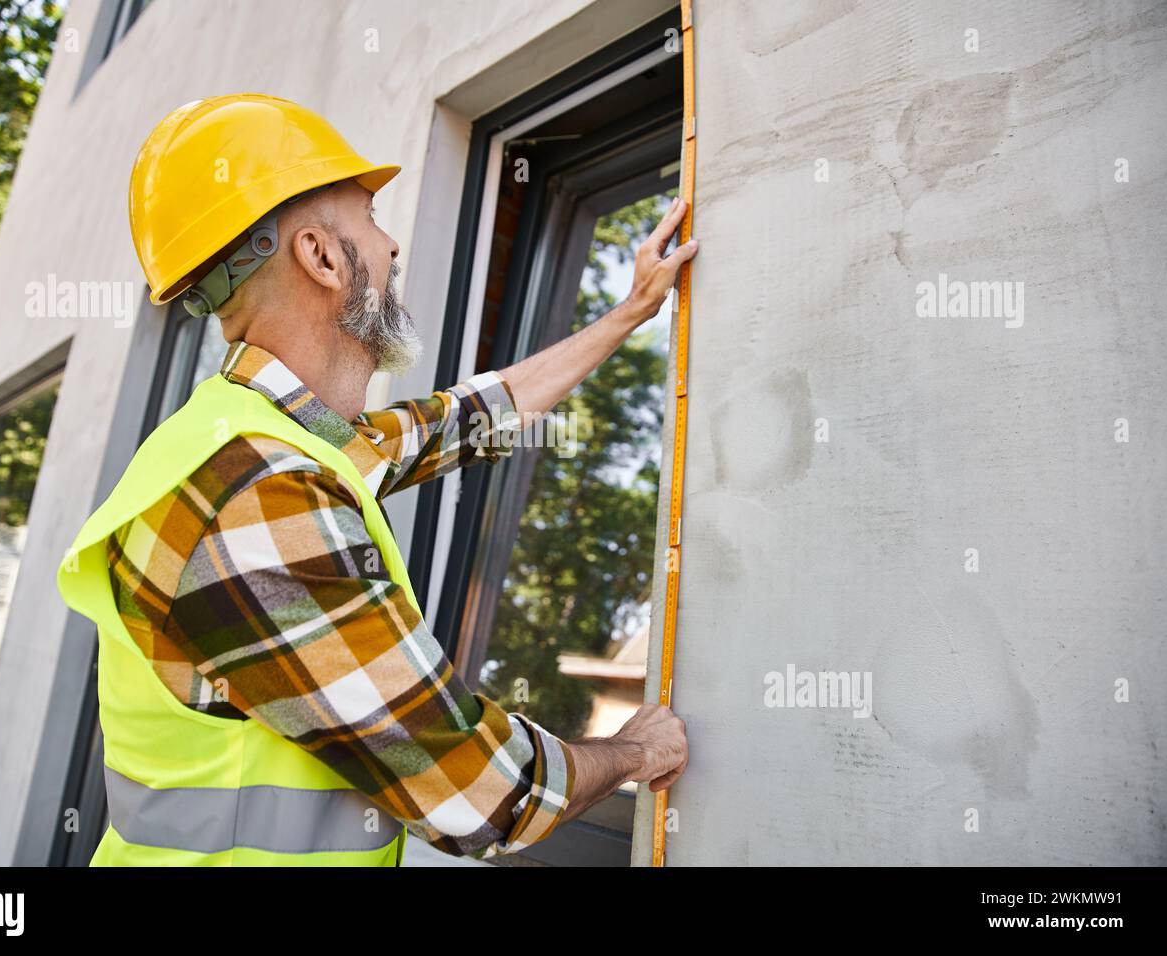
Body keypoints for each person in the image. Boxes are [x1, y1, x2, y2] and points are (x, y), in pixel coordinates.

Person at [58, 93, 696, 865]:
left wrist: (629, 312)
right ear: (322, 257)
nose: (393, 247)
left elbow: (464, 418)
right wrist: (632, 751)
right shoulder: (256, 491)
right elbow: (481, 794)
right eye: (371, 218)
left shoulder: (273, 436)